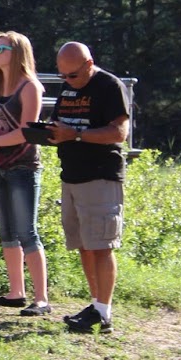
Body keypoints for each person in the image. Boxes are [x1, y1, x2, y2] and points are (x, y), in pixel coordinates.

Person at [46, 41, 131, 333]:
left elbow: (119, 132)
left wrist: (76, 134)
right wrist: (49, 132)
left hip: (100, 176)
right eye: (62, 76)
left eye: (73, 75)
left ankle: (104, 312)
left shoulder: (109, 86)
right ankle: (95, 305)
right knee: (83, 244)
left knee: (101, 246)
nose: (68, 81)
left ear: (89, 64)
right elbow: (60, 122)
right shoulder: (68, 87)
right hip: (71, 175)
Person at [0, 31, 51, 315]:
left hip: (22, 167)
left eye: (2, 49)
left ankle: (41, 299)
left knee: (27, 232)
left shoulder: (29, 87)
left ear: (17, 53)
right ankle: (16, 292)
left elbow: (27, 131)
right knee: (7, 232)